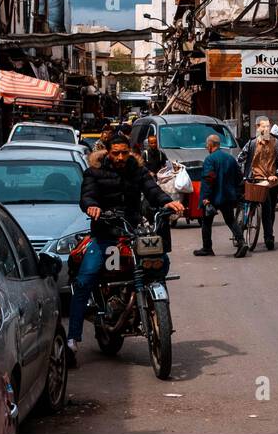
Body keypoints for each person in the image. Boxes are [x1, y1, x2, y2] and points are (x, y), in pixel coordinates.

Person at [67, 135, 185, 366]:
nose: (120, 157)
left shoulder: (138, 171)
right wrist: (92, 206)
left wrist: (167, 202)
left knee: (161, 263)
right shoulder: (94, 172)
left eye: (124, 152)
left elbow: (152, 191)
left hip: (133, 232)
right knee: (85, 279)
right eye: (116, 153)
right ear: (108, 153)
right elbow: (87, 195)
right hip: (105, 235)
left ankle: (154, 307)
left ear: (130, 152)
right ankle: (72, 340)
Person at [237, 116, 278, 251]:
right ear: (257, 128)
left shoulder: (277, 143)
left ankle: (268, 237)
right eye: (263, 126)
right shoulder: (252, 143)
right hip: (254, 180)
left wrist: (276, 175)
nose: (266, 129)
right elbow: (240, 159)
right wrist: (241, 175)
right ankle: (242, 231)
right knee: (251, 206)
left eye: (268, 126)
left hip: (272, 182)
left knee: (269, 211)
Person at [195, 134, 248, 258]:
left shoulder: (210, 159)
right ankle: (241, 242)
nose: (206, 147)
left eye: (207, 145)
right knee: (230, 220)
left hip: (213, 196)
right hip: (228, 196)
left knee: (206, 222)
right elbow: (239, 177)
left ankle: (207, 248)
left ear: (211, 145)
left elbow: (208, 179)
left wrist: (206, 198)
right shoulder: (230, 158)